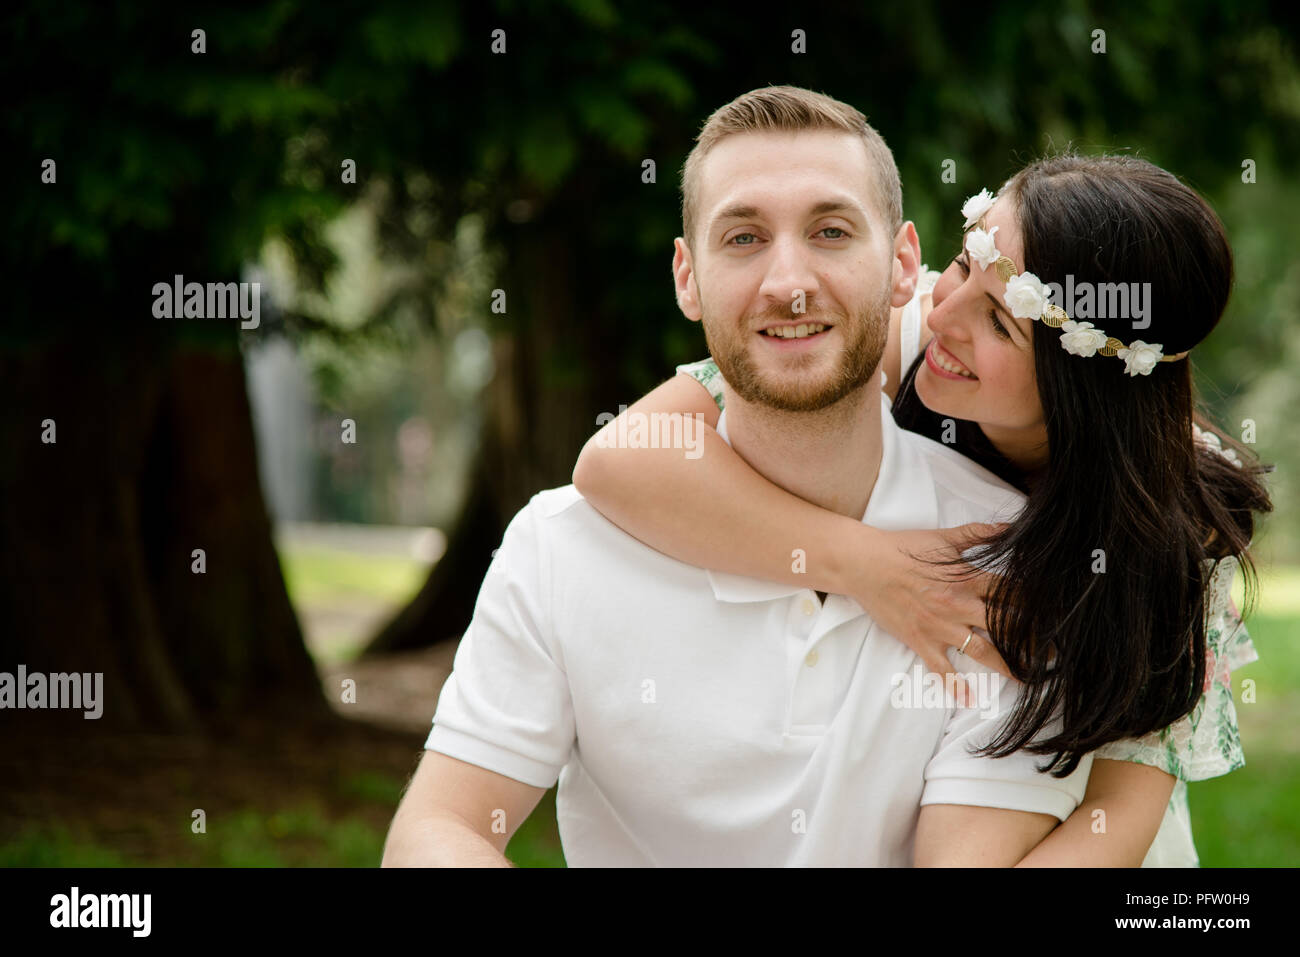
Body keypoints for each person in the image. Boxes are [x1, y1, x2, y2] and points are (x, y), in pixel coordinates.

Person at [383, 85, 1101, 868]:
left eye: (830, 231)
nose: (788, 282)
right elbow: (440, 830)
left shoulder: (1011, 563)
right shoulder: (560, 548)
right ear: (687, 279)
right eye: (744, 238)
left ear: (903, 267)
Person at [571, 142, 1272, 865]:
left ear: (1082, 386)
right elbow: (623, 457)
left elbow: (1121, 807)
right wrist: (874, 566)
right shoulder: (902, 337)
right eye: (965, 263)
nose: (944, 313)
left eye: (1001, 322)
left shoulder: (1165, 533)